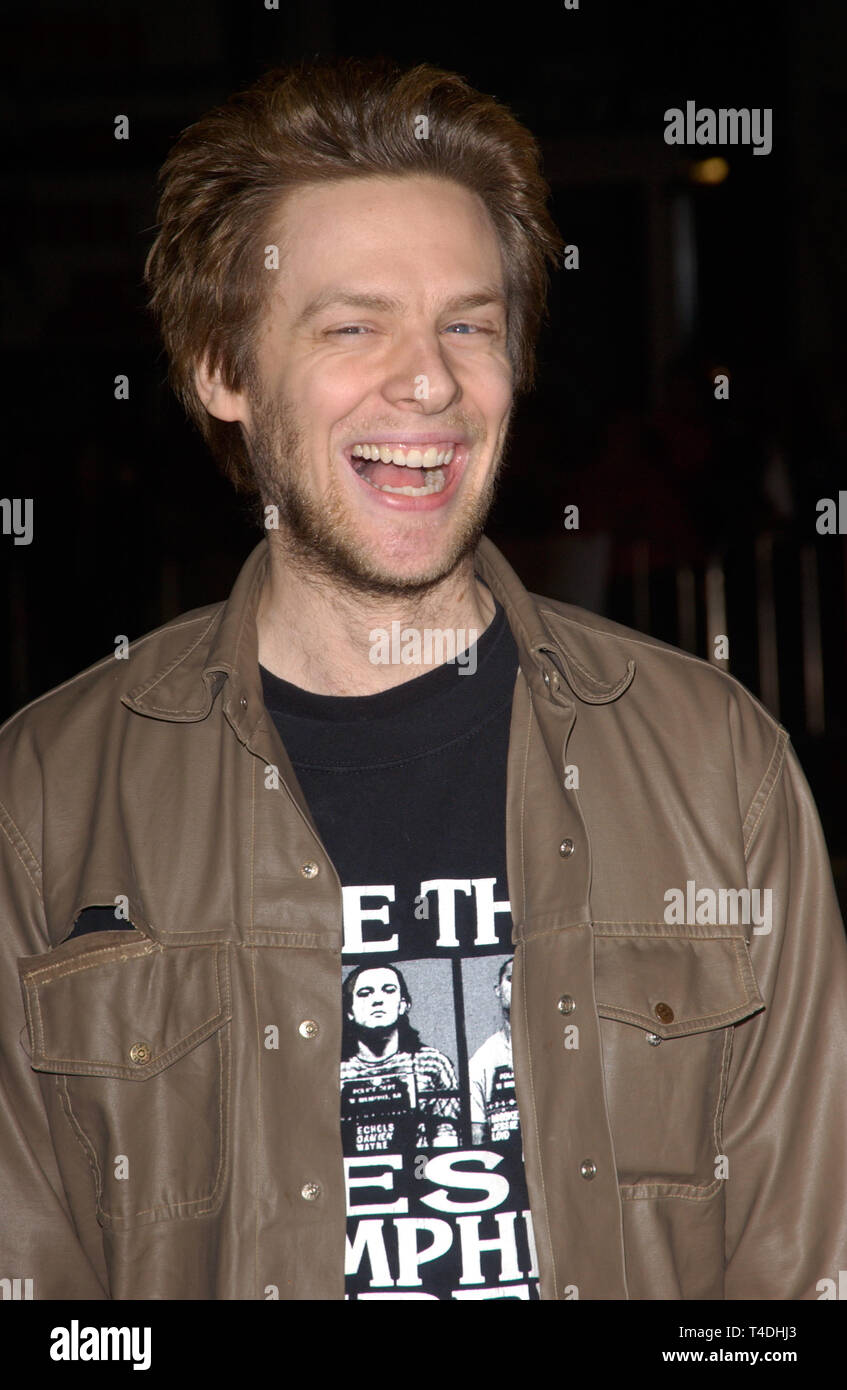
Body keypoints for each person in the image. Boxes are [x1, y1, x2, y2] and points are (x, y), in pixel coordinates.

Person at [1, 55, 846, 1302]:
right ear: (222, 373)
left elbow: (797, 1272)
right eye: (353, 325)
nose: (431, 381)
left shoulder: (715, 764)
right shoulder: (51, 797)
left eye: (468, 324)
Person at [340, 963, 459, 1153]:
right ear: (349, 1011)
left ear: (404, 1005)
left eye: (388, 991)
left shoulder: (432, 1064)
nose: (377, 1000)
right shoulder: (331, 1073)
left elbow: (447, 1132)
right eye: (364, 993)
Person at [469, 958, 520, 1147]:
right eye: (511, 979)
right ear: (497, 990)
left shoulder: (559, 1052)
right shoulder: (482, 1060)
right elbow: (477, 1133)